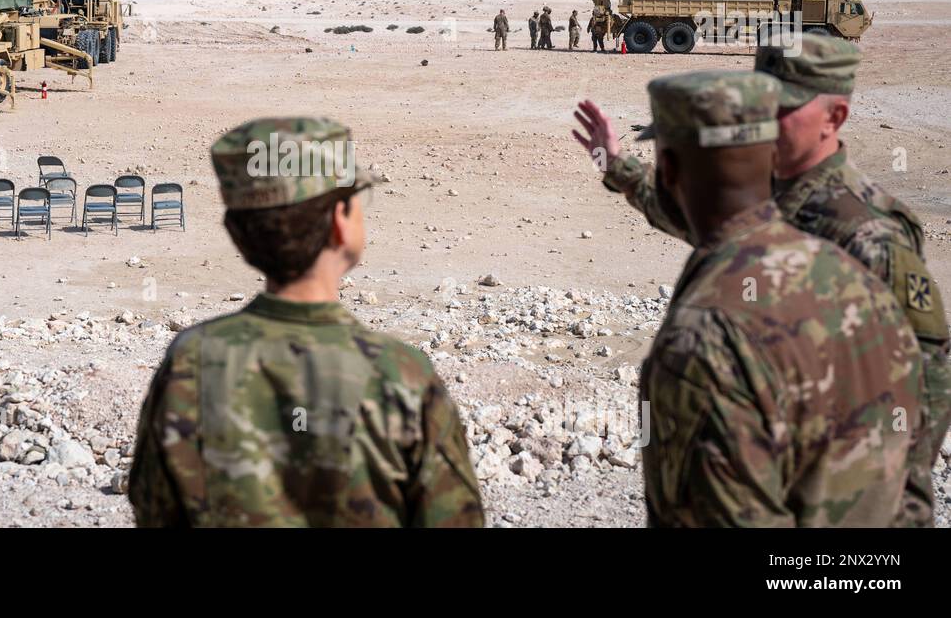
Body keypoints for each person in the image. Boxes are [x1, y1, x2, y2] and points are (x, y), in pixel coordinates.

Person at [573, 33, 948, 526]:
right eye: (760, 99)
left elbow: (923, 383)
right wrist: (616, 163)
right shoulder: (763, 197)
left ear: (834, 118)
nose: (761, 117)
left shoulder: (867, 232)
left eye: (782, 105)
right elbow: (695, 220)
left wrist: (898, 504)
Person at [128, 117, 483, 527]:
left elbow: (155, 511)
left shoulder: (189, 364)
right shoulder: (400, 375)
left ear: (237, 234)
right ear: (340, 221)